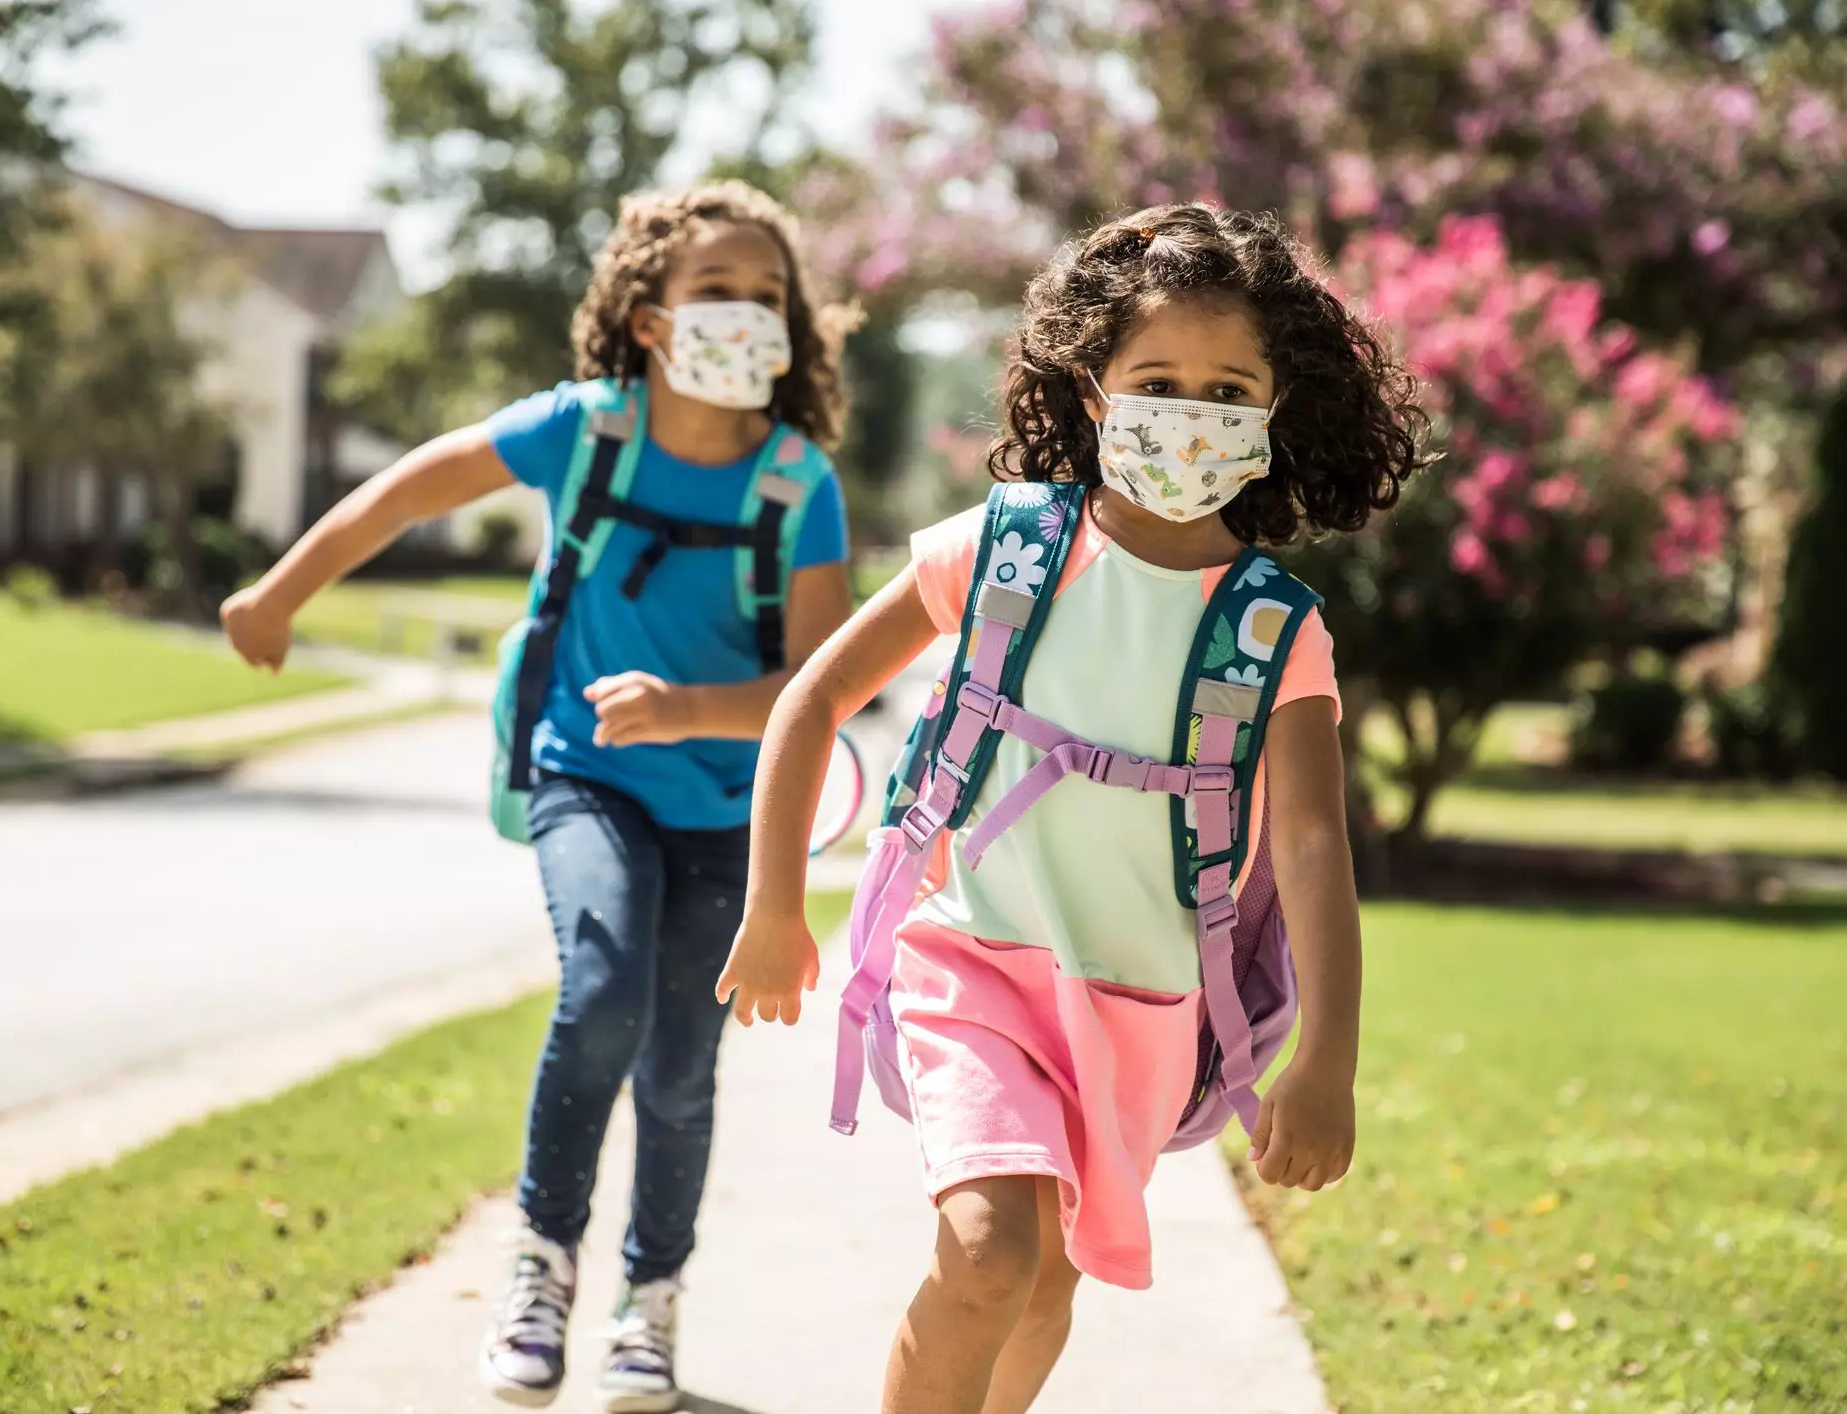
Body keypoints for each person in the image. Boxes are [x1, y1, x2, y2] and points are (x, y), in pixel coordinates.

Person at [715, 203, 1426, 1413]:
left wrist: (1331, 1059)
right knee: (991, 1253)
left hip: (1143, 1004)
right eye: (1157, 380)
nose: (1189, 414)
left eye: (1225, 388)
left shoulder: (1276, 631)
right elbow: (815, 694)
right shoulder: (1002, 552)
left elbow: (1312, 847)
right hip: (975, 961)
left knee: (1045, 1287)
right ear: (1095, 392)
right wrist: (775, 905)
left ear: (1271, 414)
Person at [220, 181, 857, 1412]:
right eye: (715, 292)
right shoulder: (588, 429)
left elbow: (814, 690)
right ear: (649, 317)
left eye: (767, 296)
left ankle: (647, 1307)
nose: (746, 315)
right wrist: (280, 590)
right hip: (585, 775)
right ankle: (543, 1262)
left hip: (729, 805)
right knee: (605, 985)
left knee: (681, 1070)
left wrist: (683, 708)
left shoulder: (796, 484)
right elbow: (412, 486)